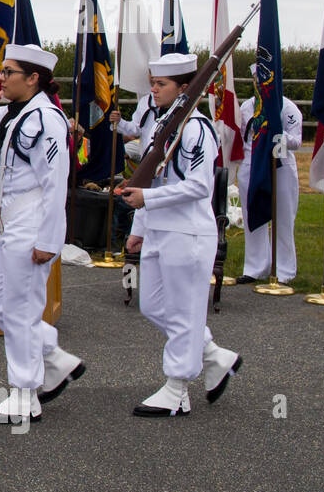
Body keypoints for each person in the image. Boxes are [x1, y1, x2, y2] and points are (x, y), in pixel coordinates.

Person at [0, 44, 82, 424]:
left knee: (22, 309)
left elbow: (55, 183)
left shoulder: (47, 118)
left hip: (31, 221)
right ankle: (54, 356)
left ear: (32, 79)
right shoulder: (11, 114)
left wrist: (49, 241)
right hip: (7, 222)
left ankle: (25, 393)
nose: (2, 77)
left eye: (9, 72)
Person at [118, 52, 243, 417]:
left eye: (161, 85)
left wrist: (147, 199)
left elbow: (199, 186)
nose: (153, 90)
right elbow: (154, 176)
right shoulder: (163, 125)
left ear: (185, 89)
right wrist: (139, 227)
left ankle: (177, 389)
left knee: (186, 312)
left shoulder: (197, 129)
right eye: (153, 83)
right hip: (158, 228)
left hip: (187, 233)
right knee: (153, 305)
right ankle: (214, 355)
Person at [236, 67, 303, 283]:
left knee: (283, 218)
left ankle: (284, 270)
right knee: (252, 216)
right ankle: (255, 267)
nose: (259, 82)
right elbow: (242, 138)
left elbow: (296, 141)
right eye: (256, 78)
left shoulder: (287, 107)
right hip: (251, 165)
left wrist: (276, 131)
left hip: (280, 165)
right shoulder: (247, 107)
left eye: (264, 79)